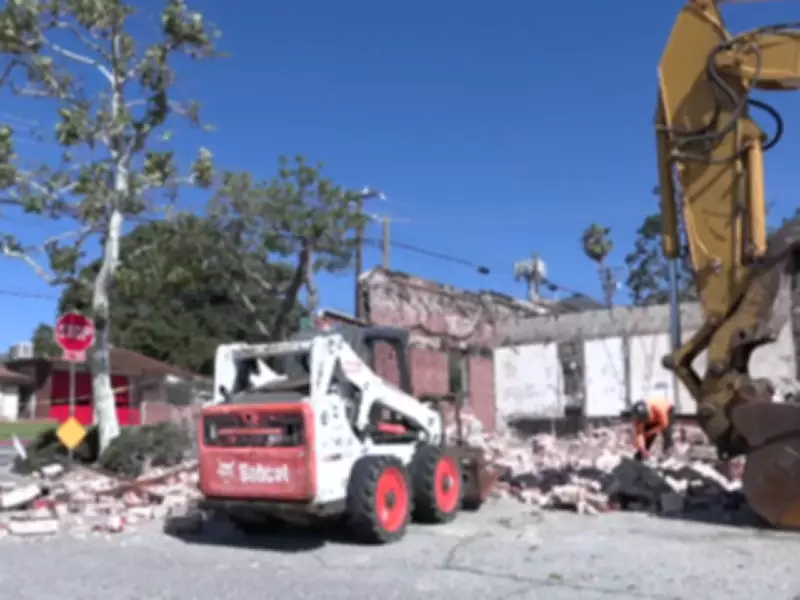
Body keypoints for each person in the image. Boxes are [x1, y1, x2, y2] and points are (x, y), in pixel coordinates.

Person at [628, 395, 675, 461]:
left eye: (644, 420)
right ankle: (641, 455)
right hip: (653, 416)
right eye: (641, 420)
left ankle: (667, 455)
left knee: (667, 434)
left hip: (668, 410)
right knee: (645, 435)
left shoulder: (659, 409)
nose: (642, 422)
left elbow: (664, 426)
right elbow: (640, 434)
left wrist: (650, 432)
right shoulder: (638, 416)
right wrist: (642, 449)